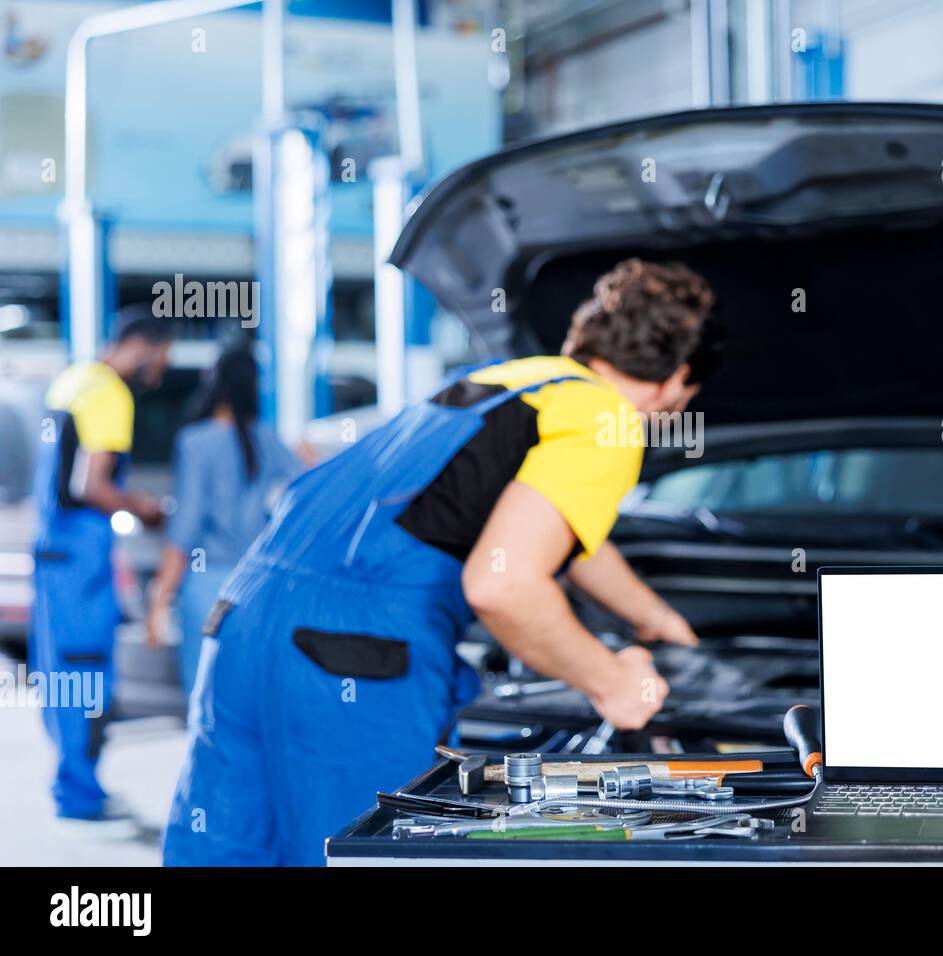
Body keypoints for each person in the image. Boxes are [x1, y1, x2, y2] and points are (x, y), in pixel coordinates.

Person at [163, 258, 722, 865]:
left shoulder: (500, 384)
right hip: (351, 648)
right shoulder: (607, 420)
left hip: (245, 620)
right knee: (364, 855)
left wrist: (655, 620)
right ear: (676, 380)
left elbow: (553, 527)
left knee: (226, 850)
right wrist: (613, 683)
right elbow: (503, 585)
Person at [30, 312, 171, 836]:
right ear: (140, 347)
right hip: (82, 555)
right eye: (158, 362)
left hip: (52, 551)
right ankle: (79, 792)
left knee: (61, 673)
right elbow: (92, 483)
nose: (155, 374)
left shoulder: (73, 379)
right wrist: (144, 507)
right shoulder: (111, 392)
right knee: (86, 674)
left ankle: (72, 783)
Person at [146, 344, 301, 701]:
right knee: (248, 703)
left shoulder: (196, 442)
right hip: (258, 586)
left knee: (206, 701)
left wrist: (159, 598)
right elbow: (303, 492)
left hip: (208, 588)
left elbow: (184, 529)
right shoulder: (269, 440)